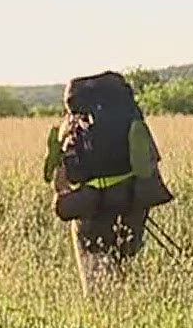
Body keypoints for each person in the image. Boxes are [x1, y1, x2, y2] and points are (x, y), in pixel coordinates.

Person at [43, 71, 165, 295]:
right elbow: (149, 165)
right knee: (123, 273)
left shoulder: (74, 129)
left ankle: (103, 321)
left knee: (96, 289)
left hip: (91, 215)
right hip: (132, 206)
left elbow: (62, 183)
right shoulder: (129, 121)